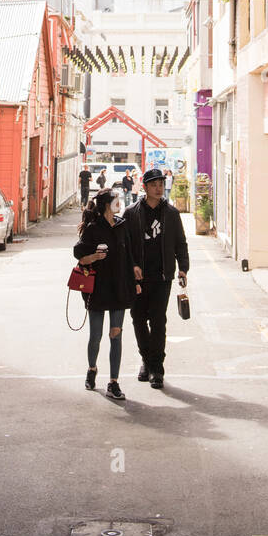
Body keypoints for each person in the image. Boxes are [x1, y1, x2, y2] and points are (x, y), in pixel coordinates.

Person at [73, 189, 142, 401]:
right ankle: (92, 369)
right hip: (98, 289)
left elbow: (129, 254)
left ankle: (114, 382)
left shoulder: (122, 225)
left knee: (116, 335)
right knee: (96, 336)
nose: (119, 203)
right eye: (115, 200)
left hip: (120, 288)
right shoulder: (93, 229)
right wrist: (94, 256)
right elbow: (78, 254)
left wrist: (135, 280)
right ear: (105, 204)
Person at [124, 168, 189, 390]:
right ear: (145, 187)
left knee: (158, 320)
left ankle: (157, 368)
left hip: (162, 276)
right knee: (138, 319)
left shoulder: (171, 213)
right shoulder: (131, 213)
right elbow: (125, 245)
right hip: (138, 278)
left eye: (161, 184)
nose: (159, 188)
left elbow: (180, 242)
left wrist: (183, 268)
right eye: (154, 184)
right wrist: (132, 266)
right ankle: (147, 360)